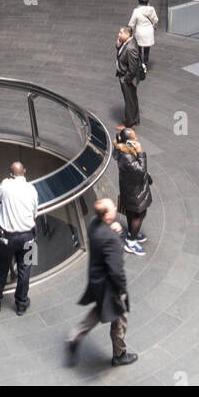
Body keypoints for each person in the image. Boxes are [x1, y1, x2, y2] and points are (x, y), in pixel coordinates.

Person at [65, 198, 136, 368]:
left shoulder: (93, 224)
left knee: (99, 310)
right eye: (112, 209)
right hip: (110, 286)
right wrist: (122, 290)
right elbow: (116, 270)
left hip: (96, 280)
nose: (114, 209)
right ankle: (119, 354)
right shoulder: (111, 239)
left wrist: (111, 229)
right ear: (107, 217)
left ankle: (75, 336)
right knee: (120, 317)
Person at [0, 161, 39, 316]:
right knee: (26, 269)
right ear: (25, 171)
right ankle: (21, 303)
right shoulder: (32, 189)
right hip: (29, 236)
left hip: (7, 238)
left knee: (1, 268)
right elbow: (35, 213)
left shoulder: (5, 185)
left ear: (10, 173)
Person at [114, 128, 152, 255]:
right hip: (135, 192)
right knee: (139, 215)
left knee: (132, 212)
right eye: (134, 138)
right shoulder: (127, 157)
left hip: (129, 189)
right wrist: (140, 152)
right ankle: (131, 242)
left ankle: (132, 233)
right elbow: (141, 170)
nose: (136, 140)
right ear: (128, 141)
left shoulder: (121, 150)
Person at [115, 27, 142, 128]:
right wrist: (118, 44)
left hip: (127, 79)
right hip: (125, 76)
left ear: (127, 35)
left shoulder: (131, 48)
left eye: (121, 33)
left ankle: (129, 124)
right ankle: (133, 118)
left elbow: (132, 68)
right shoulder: (127, 41)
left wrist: (126, 80)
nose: (119, 34)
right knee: (131, 99)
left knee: (129, 100)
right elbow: (120, 51)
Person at [128, 0, 158, 70]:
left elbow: (132, 23)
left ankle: (140, 64)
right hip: (148, 33)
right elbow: (156, 20)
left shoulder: (136, 11)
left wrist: (130, 29)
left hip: (139, 33)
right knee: (147, 50)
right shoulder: (152, 10)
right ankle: (145, 64)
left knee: (138, 49)